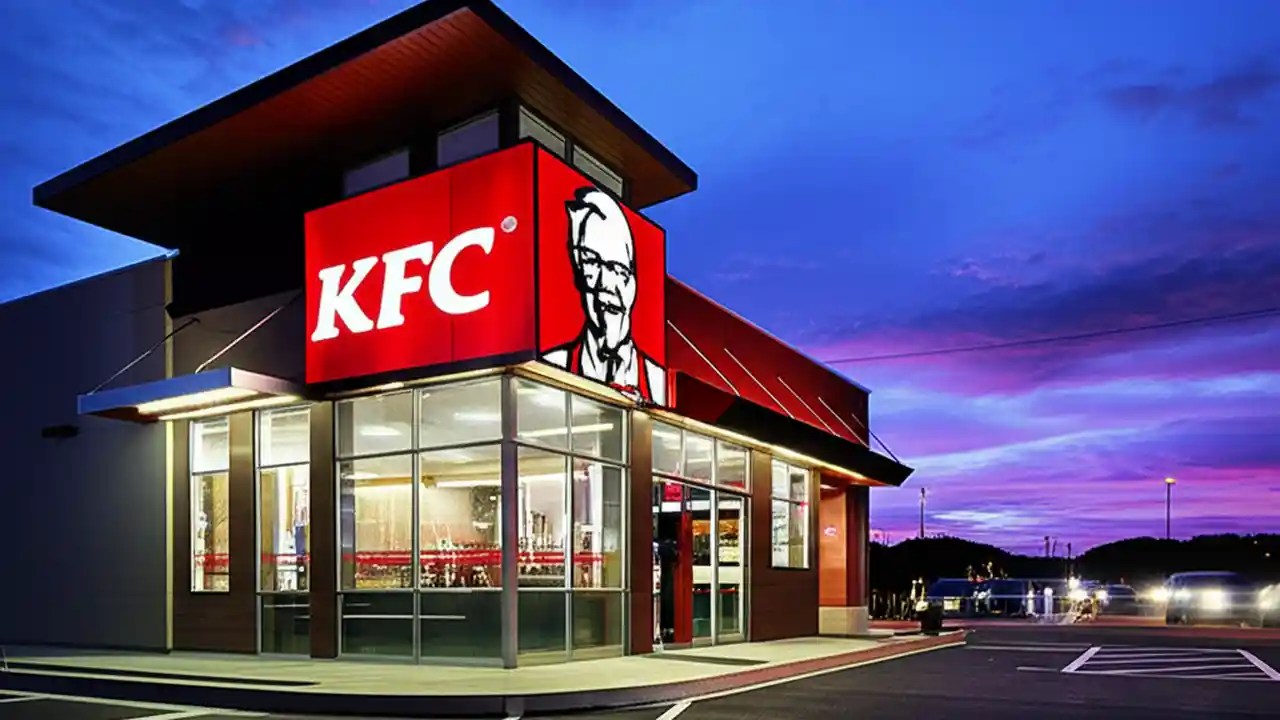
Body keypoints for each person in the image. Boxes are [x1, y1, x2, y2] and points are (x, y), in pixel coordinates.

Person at [543, 187, 665, 403]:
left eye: (618, 269)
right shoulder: (551, 365)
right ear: (578, 273)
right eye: (592, 263)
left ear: (633, 284)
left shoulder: (658, 381)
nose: (605, 283)